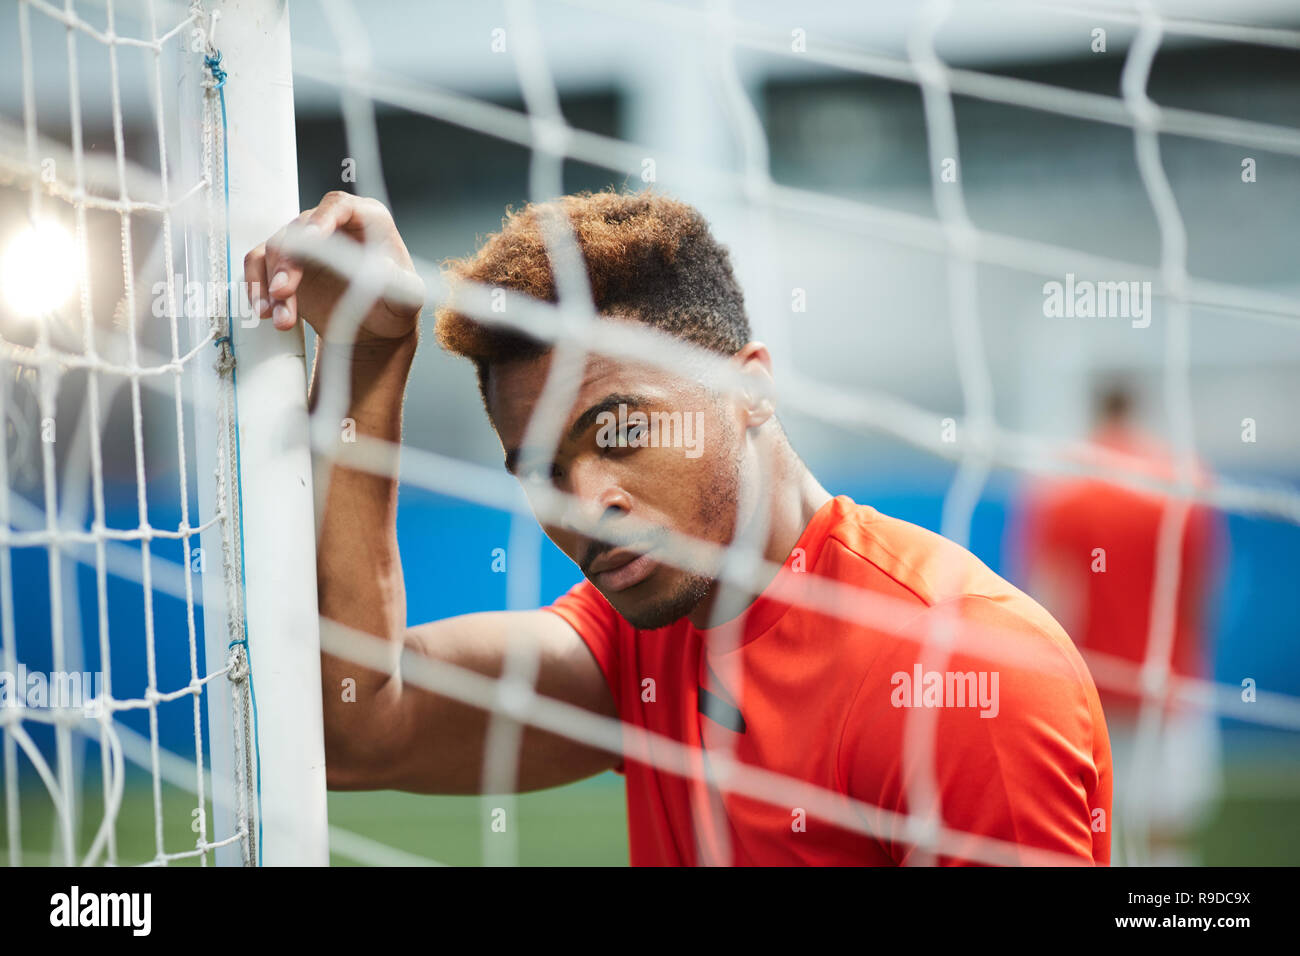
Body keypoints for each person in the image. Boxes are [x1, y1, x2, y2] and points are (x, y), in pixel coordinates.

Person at [244, 189, 1111, 865]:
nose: (584, 503)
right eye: (542, 472)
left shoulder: (962, 668)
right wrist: (369, 354)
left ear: (749, 393)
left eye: (621, 429)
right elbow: (355, 728)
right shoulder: (638, 645)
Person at [1013, 382, 1223, 865]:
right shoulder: (1183, 484)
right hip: (1166, 689)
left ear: (1094, 411)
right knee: (1165, 839)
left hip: (1089, 696)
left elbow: (1047, 601)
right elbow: (1200, 597)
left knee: (1085, 835)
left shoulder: (1065, 487)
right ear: (1139, 410)